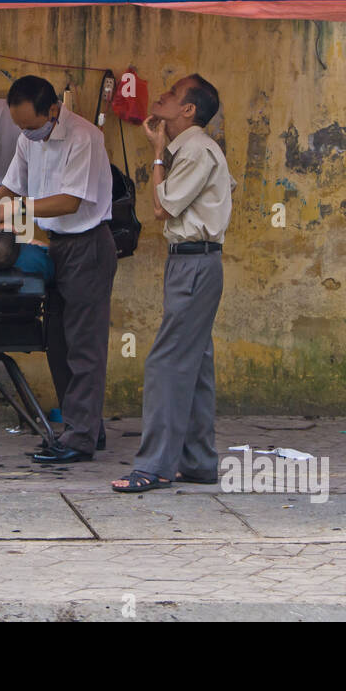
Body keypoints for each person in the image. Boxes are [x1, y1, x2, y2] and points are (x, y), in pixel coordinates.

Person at [0, 75, 115, 464]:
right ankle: (84, 428)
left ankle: (79, 438)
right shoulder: (29, 138)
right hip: (55, 248)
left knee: (84, 345)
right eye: (20, 126)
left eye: (31, 124)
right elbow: (10, 186)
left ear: (53, 110)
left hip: (88, 246)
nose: (27, 133)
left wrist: (16, 209)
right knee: (58, 342)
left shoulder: (84, 137)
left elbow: (69, 202)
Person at [112, 73, 232, 492]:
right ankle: (198, 462)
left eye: (172, 94)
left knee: (164, 364)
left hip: (195, 265)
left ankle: (154, 467)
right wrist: (162, 152)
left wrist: (157, 154)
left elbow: (163, 208)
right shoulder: (193, 149)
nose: (161, 96)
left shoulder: (196, 149)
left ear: (188, 111)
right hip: (192, 263)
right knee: (195, 364)